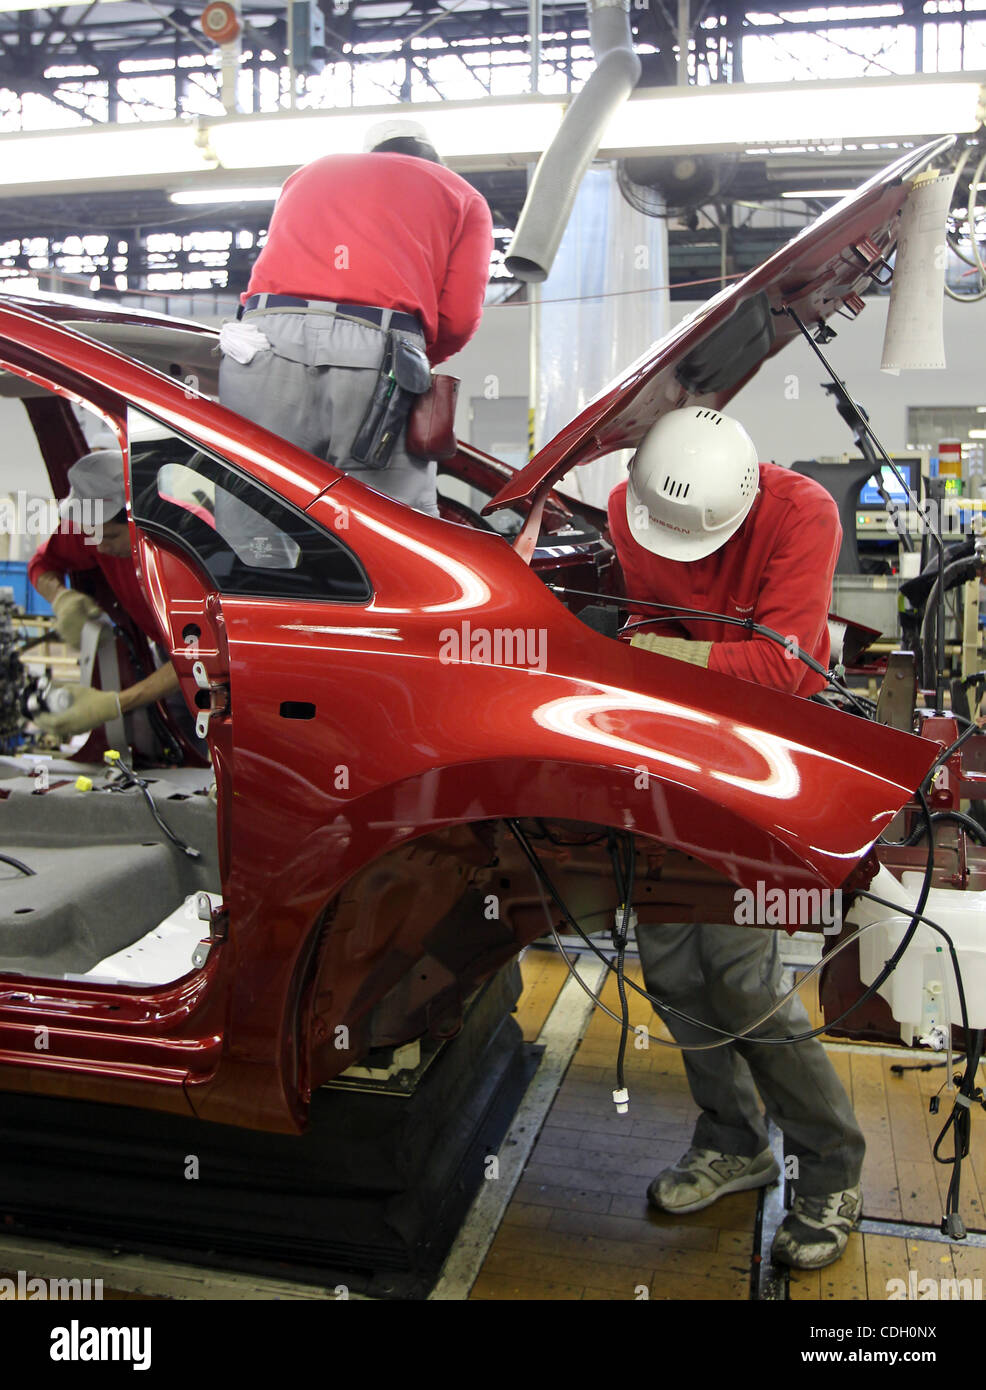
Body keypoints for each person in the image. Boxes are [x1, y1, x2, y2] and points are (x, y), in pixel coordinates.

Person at [607, 405, 865, 1271]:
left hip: (769, 751)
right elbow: (642, 625)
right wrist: (666, 662)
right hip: (678, 751)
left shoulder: (802, 513)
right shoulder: (629, 507)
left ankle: (831, 1167)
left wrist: (667, 662)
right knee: (671, 962)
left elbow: (782, 670)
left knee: (741, 972)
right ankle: (734, 1140)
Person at [218, 117, 494, 519]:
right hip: (376, 350)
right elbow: (458, 319)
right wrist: (415, 361)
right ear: (434, 157)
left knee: (252, 513)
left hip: (260, 340)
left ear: (372, 153)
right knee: (389, 524)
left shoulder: (308, 175)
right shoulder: (461, 194)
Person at [28, 449, 180, 739]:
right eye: (94, 535)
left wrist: (112, 705)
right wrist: (61, 597)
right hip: (166, 650)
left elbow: (199, 657)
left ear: (140, 521)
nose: (99, 548)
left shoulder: (179, 553)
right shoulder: (98, 528)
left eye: (110, 537)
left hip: (208, 661)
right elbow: (42, 565)